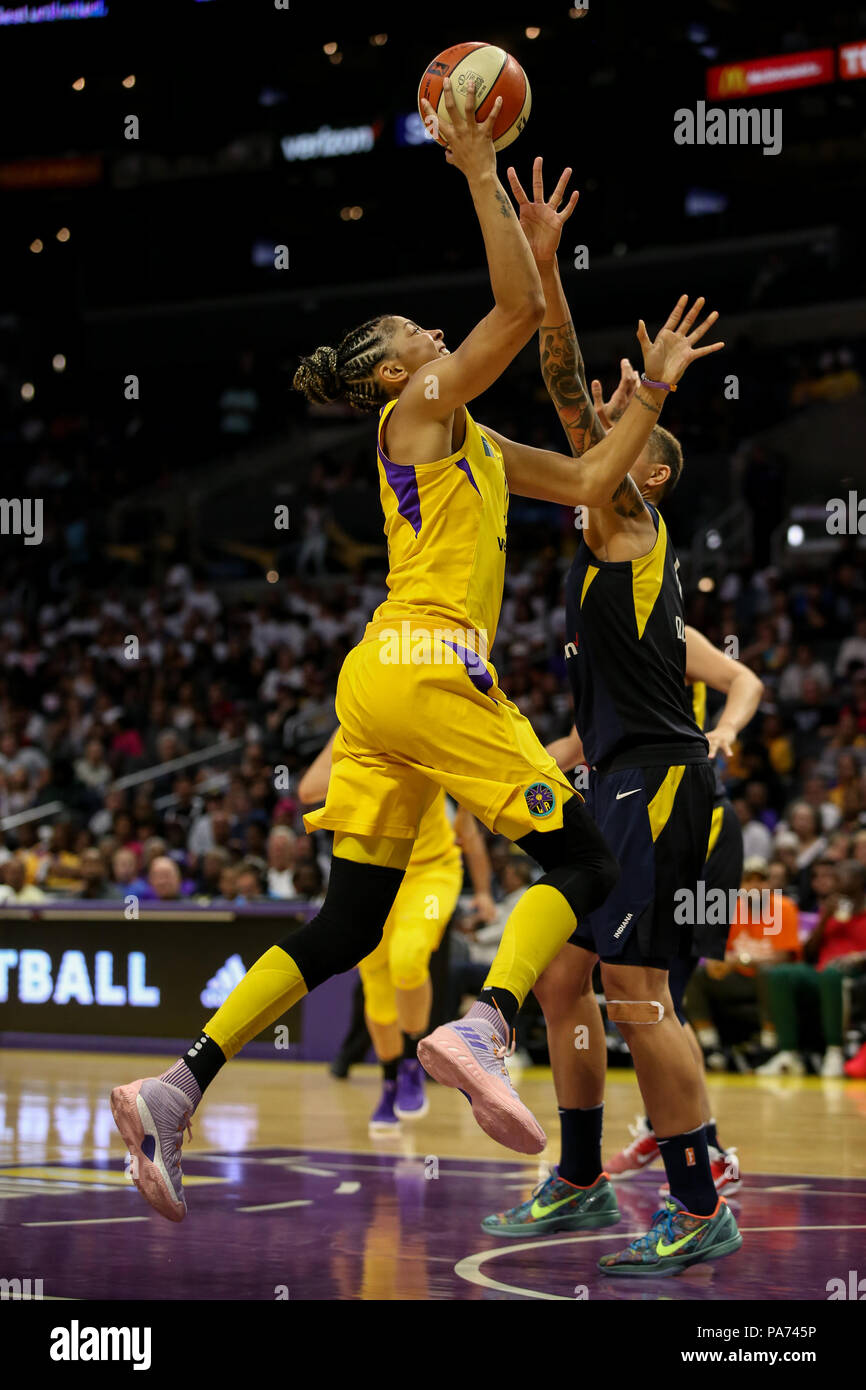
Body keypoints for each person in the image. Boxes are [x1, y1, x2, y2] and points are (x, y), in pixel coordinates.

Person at [109, 90, 713, 1225]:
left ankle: (175, 1086)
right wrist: (480, 168)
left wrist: (652, 395)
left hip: (380, 684)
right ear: (394, 376)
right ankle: (485, 1019)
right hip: (430, 664)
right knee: (585, 863)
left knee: (344, 922)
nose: (432, 339)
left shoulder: (472, 440)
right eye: (413, 340)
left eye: (428, 336)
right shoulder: (418, 413)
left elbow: (590, 480)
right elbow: (510, 307)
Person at [475, 158, 737, 1276]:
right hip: (614, 781)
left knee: (635, 994)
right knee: (562, 978)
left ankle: (694, 1198)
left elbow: (571, 386)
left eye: (629, 418)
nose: (612, 398)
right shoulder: (598, 527)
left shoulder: (623, 514)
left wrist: (645, 387)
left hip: (663, 783)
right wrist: (539, 257)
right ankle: (581, 1175)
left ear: (651, 474)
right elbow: (563, 379)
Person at [298, 729, 495, 1134]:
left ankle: (410, 1062)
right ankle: (388, 1082)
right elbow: (308, 789)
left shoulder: (427, 722)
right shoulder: (354, 728)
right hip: (372, 872)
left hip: (430, 871)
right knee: (375, 985)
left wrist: (484, 892)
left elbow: (469, 830)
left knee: (409, 959)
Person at [758, 859, 866, 1077]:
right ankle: (788, 1052)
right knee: (780, 974)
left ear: (859, 880)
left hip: (855, 972)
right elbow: (808, 951)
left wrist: (857, 957)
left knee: (832, 974)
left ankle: (834, 1052)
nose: (836, 881)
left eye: (843, 876)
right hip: (822, 970)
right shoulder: (831, 908)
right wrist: (825, 918)